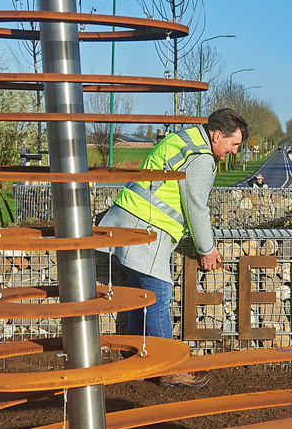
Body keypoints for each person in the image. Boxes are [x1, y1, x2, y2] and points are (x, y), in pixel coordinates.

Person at [99, 108, 248, 388]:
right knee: (158, 295)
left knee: (139, 298)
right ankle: (170, 368)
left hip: (128, 219)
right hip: (149, 227)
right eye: (234, 144)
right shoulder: (202, 159)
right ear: (217, 136)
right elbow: (196, 207)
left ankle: (139, 361)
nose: (235, 151)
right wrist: (207, 249)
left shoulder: (185, 139)